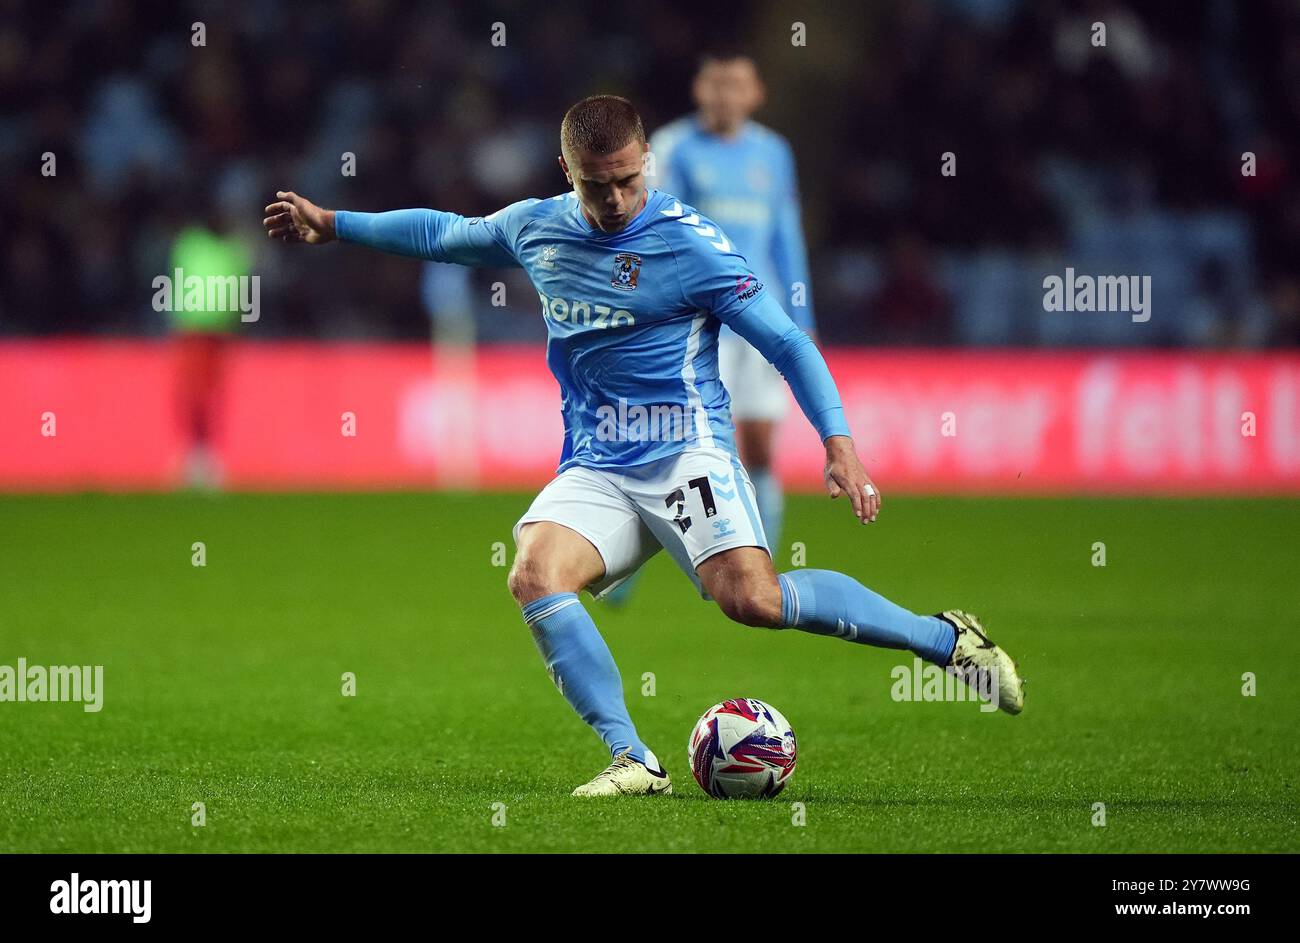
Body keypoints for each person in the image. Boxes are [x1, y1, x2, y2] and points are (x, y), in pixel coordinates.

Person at [263, 95, 1024, 798]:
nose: (617, 199)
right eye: (599, 187)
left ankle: (946, 639)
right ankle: (635, 758)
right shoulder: (536, 226)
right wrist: (334, 224)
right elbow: (444, 234)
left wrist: (840, 444)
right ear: (568, 172)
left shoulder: (692, 247)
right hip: (597, 463)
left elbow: (788, 342)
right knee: (533, 572)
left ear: (645, 165)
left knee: (752, 600)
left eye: (628, 180)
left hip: (686, 450)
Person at [649, 50, 814, 557]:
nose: (725, 95)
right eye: (716, 84)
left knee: (760, 444)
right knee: (679, 445)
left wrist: (801, 318)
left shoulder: (773, 152)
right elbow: (655, 233)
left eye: (736, 85)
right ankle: (639, 557)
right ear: (699, 90)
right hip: (696, 320)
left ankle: (760, 557)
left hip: (759, 316)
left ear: (755, 93)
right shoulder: (672, 147)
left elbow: (786, 238)